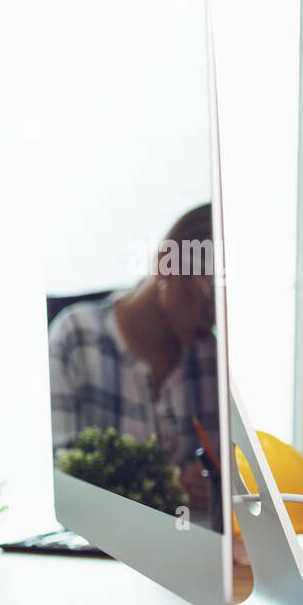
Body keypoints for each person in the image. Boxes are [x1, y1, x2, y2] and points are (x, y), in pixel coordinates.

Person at [48, 203, 219, 523]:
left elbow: (230, 469)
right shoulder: (75, 339)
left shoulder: (210, 357)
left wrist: (217, 484)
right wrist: (168, 488)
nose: (213, 320)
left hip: (192, 550)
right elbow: (63, 480)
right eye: (209, 299)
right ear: (168, 264)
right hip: (100, 550)